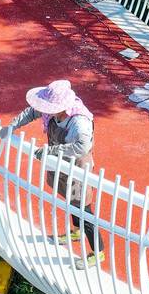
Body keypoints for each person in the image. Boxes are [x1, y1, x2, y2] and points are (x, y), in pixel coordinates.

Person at [8, 80, 104, 269]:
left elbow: (82, 146)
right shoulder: (51, 112)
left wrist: (50, 152)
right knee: (70, 200)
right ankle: (76, 232)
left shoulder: (79, 121)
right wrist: (12, 126)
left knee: (83, 208)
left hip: (77, 168)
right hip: (62, 166)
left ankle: (98, 252)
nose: (44, 110)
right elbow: (31, 112)